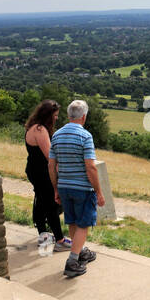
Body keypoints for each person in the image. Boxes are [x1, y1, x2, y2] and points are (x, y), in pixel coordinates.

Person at [48, 100, 105, 278]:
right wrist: (99, 191)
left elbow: (51, 166)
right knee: (84, 224)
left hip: (64, 187)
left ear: (68, 115)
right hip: (82, 189)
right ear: (84, 116)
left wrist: (56, 189)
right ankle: (72, 261)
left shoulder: (56, 135)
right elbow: (91, 167)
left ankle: (80, 251)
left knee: (73, 222)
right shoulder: (85, 136)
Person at [24, 99, 69, 253]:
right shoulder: (39, 130)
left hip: (34, 170)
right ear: (48, 115)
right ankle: (60, 240)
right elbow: (50, 156)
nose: (56, 118)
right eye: (55, 115)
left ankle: (43, 235)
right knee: (50, 205)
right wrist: (61, 171)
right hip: (41, 173)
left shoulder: (33, 126)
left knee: (41, 201)